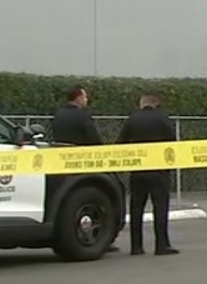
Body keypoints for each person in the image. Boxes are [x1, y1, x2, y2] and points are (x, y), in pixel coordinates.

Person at [51, 85, 118, 252]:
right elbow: (92, 138)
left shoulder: (59, 115)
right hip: (84, 162)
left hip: (62, 162)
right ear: (79, 97)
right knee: (102, 197)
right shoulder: (83, 116)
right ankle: (104, 238)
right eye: (85, 97)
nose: (87, 100)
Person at [116, 92, 180, 256]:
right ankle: (161, 245)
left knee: (137, 207)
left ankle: (136, 246)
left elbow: (120, 142)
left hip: (138, 169)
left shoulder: (133, 119)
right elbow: (172, 140)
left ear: (142, 103)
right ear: (157, 103)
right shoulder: (163, 118)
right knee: (160, 207)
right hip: (159, 169)